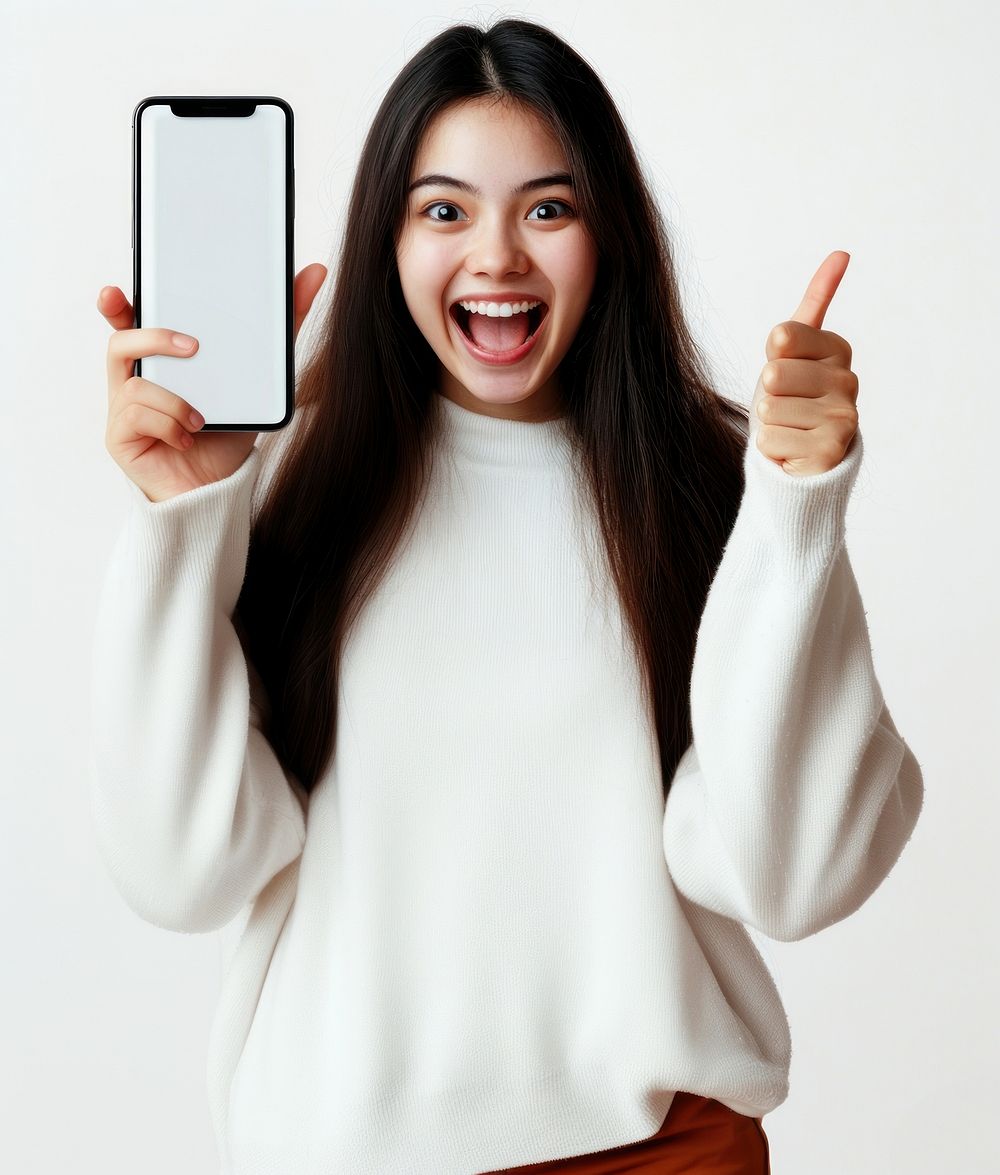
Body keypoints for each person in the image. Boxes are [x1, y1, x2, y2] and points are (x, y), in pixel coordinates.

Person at [90, 17, 924, 1175]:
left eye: (548, 206)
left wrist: (795, 509)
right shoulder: (280, 485)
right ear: (387, 238)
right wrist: (183, 523)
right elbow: (183, 868)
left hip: (658, 1146)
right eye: (444, 210)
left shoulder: (706, 481)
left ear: (608, 233)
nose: (496, 257)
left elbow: (789, 874)